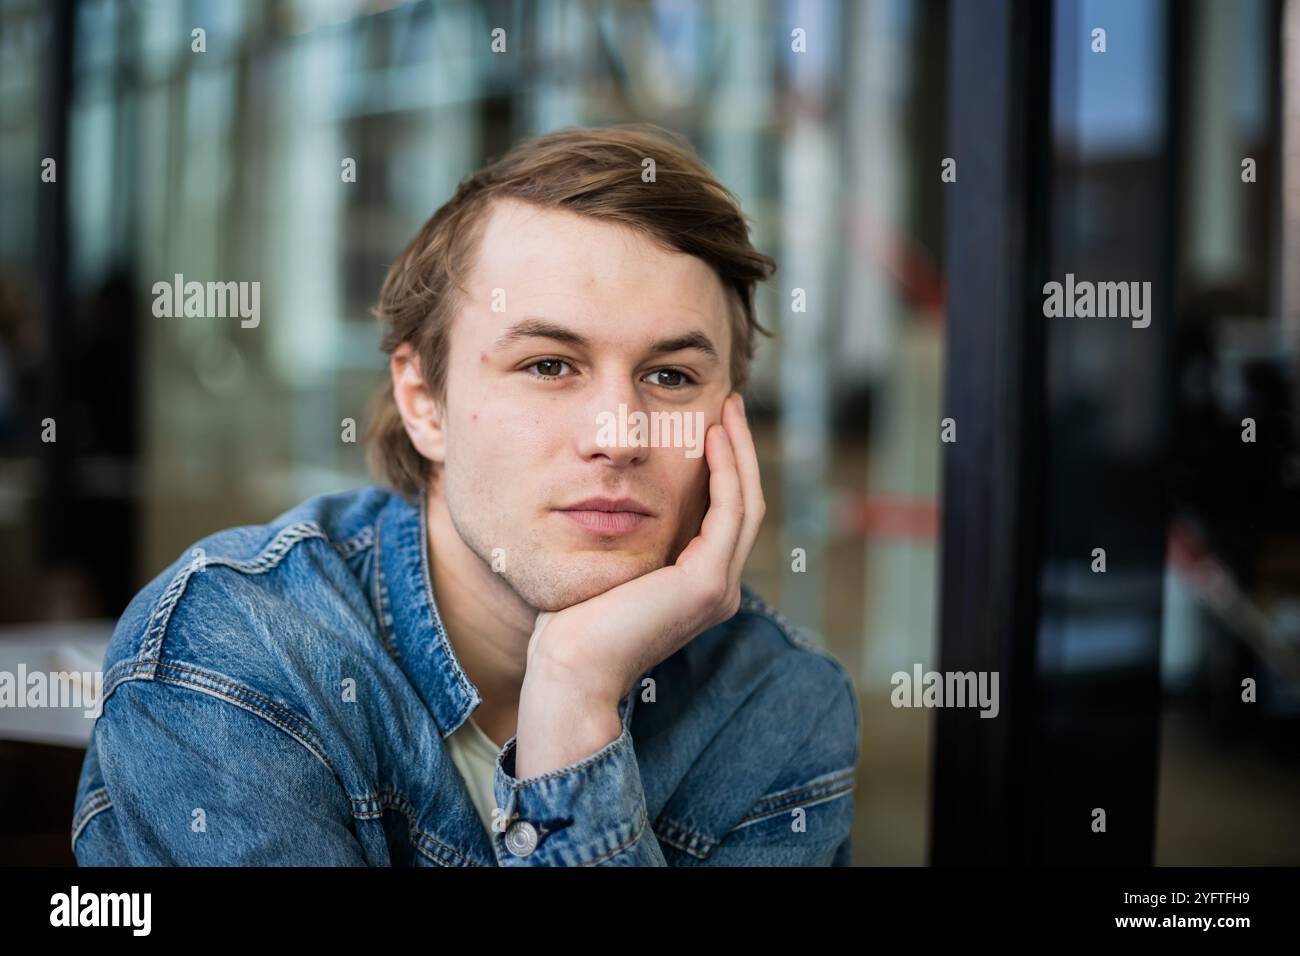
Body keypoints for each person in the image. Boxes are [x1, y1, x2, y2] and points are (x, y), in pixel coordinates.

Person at [71, 123, 860, 866]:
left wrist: (574, 694)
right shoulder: (242, 653)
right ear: (423, 402)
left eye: (670, 376)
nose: (619, 436)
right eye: (549, 365)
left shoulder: (778, 706)